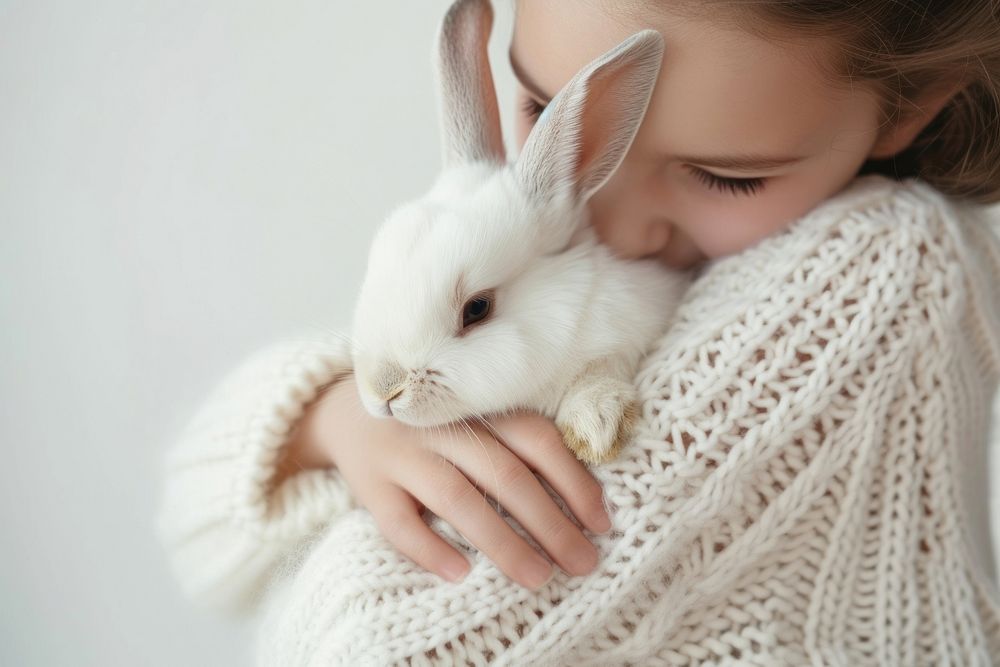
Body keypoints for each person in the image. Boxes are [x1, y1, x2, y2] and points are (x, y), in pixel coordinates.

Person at [156, 0, 1000, 663]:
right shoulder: (506, 235)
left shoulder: (882, 271)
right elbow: (195, 535)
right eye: (537, 103)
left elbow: (364, 641)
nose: (609, 221)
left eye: (721, 177)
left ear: (909, 111)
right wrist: (331, 420)